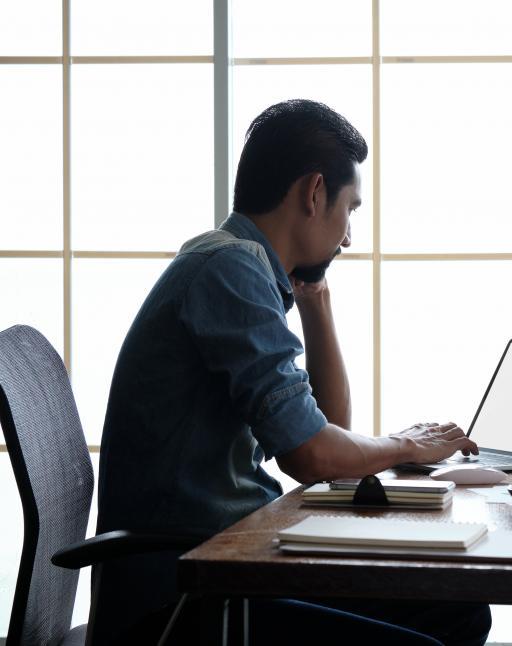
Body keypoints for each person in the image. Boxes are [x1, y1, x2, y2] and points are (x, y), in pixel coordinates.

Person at [93, 99, 491, 645]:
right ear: (313, 193)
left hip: (234, 560)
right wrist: (404, 446)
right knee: (436, 628)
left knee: (459, 610)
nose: (349, 236)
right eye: (350, 209)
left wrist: (314, 299)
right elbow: (312, 456)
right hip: (189, 592)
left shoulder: (242, 266)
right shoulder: (230, 269)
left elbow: (325, 426)